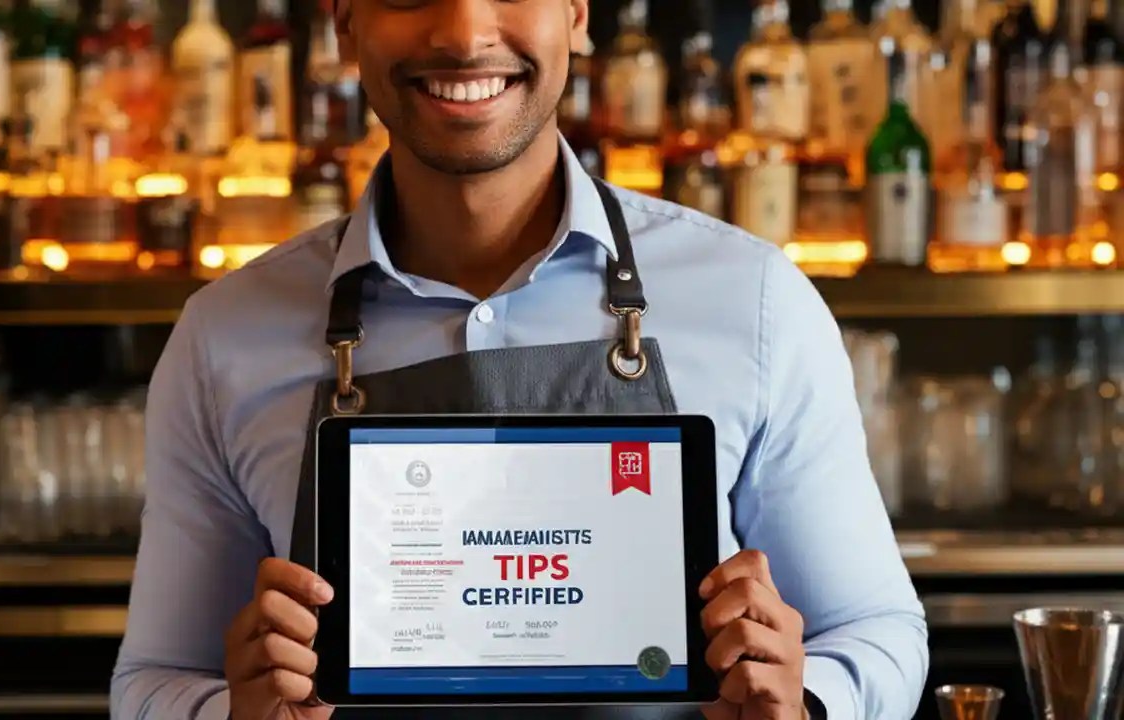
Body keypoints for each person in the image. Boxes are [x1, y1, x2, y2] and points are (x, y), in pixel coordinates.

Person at [110, 1, 929, 718]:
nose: (465, 32)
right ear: (344, 20)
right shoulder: (221, 339)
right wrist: (236, 714)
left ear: (576, 11)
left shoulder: (754, 301)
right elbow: (152, 682)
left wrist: (807, 700)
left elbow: (874, 630)